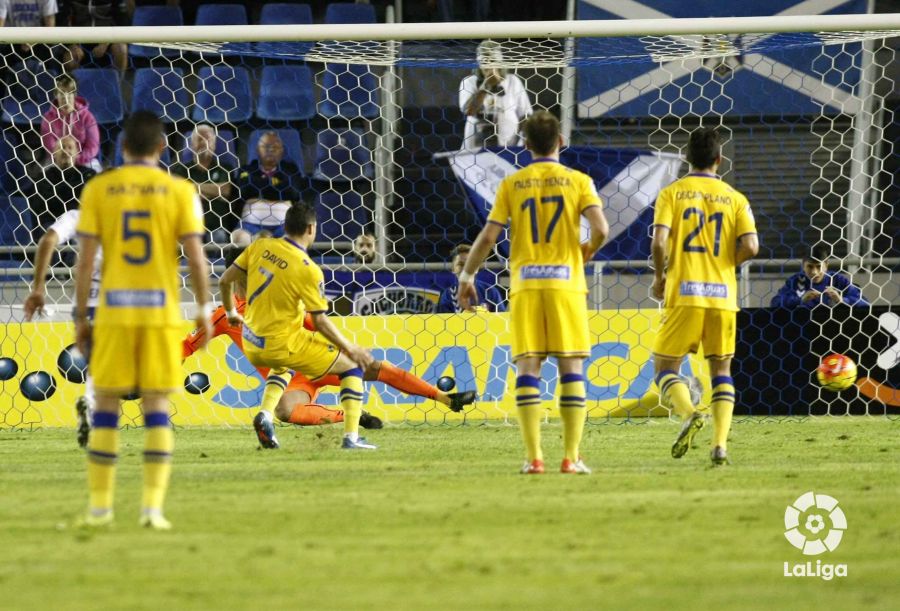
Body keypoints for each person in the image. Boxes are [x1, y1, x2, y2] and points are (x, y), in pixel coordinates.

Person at [73, 110, 212, 530]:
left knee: (107, 408)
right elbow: (196, 257)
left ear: (122, 147)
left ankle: (100, 509)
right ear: (162, 147)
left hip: (114, 310)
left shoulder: (100, 189)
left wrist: (81, 316)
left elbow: (83, 263)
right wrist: (205, 309)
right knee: (156, 407)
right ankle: (152, 510)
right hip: (160, 313)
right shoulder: (180, 190)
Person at [184, 247, 476, 447]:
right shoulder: (225, 315)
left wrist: (347, 348)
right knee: (286, 410)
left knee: (373, 367)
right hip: (295, 380)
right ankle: (351, 416)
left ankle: (446, 399)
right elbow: (185, 346)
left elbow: (314, 323)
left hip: (317, 360)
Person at [458, 110, 609, 474]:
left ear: (525, 146)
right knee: (571, 367)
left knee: (529, 367)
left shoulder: (513, 183)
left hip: (525, 284)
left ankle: (534, 458)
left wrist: (467, 275)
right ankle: (571, 458)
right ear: (560, 142)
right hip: (565, 284)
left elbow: (490, 236)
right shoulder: (579, 181)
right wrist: (583, 254)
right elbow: (601, 228)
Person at [219, 201, 382, 450]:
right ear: (311, 229)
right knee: (351, 368)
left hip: (252, 341)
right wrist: (351, 348)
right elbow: (319, 321)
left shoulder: (260, 246)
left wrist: (231, 311)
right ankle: (352, 437)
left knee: (283, 366)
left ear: (284, 226)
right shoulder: (308, 270)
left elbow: (224, 280)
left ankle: (265, 414)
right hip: (282, 342)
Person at [650, 127, 759, 466]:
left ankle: (688, 414)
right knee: (721, 370)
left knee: (665, 366)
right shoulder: (736, 198)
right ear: (719, 159)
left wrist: (659, 276)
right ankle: (720, 445)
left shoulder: (672, 193)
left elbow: (658, 242)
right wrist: (727, 262)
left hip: (684, 292)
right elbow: (752, 246)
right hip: (723, 296)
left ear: (687, 158)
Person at [23, 203, 102, 449]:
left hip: (86, 301)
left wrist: (38, 287)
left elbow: (48, 240)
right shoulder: (135, 216)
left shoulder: (79, 215)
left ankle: (90, 404)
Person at [458, 40, 532, 150]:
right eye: (485, 62)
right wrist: (485, 87)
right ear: (478, 63)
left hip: (509, 148)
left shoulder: (513, 81)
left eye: (493, 61)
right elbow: (469, 111)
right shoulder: (469, 82)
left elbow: (526, 115)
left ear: (500, 62)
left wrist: (524, 140)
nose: (489, 66)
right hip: (475, 148)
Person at [170, 124, 236, 243]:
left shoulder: (224, 168)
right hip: (187, 225)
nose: (205, 143)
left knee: (220, 238)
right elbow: (177, 195)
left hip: (217, 227)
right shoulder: (179, 169)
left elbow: (225, 191)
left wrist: (191, 187)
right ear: (191, 144)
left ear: (214, 145)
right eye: (200, 139)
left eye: (208, 139)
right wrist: (213, 192)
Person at [234, 132, 302, 237]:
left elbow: (293, 192)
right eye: (265, 146)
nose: (270, 150)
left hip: (284, 226)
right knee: (238, 238)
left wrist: (258, 187)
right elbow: (244, 190)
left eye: (275, 147)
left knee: (291, 240)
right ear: (257, 150)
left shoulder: (290, 169)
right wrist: (277, 186)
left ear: (282, 151)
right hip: (249, 225)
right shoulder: (246, 169)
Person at [30, 135, 96, 234]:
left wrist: (58, 191)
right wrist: (76, 189)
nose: (66, 151)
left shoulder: (88, 174)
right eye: (62, 147)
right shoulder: (44, 177)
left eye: (70, 147)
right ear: (54, 154)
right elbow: (44, 202)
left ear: (77, 153)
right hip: (53, 222)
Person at [770, 245, 868, 308]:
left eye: (818, 267)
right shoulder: (796, 281)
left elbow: (865, 304)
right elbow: (775, 303)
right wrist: (799, 300)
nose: (814, 272)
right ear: (803, 265)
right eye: (810, 267)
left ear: (826, 265)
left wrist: (842, 300)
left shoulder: (837, 280)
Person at [40, 73, 101, 172]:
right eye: (61, 93)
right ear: (56, 95)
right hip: (57, 161)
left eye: (70, 93)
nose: (66, 98)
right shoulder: (48, 118)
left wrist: (75, 159)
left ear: (75, 94)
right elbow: (49, 146)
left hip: (83, 160)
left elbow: (93, 146)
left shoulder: (87, 117)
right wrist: (62, 159)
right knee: (45, 176)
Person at [61, 0, 129, 73]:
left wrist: (105, 44)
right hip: (79, 39)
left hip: (107, 39)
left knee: (121, 49)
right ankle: (71, 82)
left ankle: (118, 82)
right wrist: (73, 44)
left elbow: (122, 24)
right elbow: (64, 21)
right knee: (69, 59)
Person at [438, 243, 505, 313]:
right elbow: (443, 323)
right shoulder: (448, 295)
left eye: (469, 264)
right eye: (460, 264)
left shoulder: (491, 292)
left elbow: (501, 321)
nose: (465, 268)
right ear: (453, 269)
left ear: (477, 268)